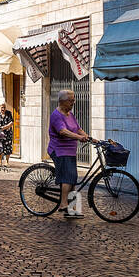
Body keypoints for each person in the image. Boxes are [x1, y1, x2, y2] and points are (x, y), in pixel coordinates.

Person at [48, 89, 92, 217]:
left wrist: (89, 137)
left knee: (73, 179)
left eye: (73, 100)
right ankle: (63, 204)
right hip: (59, 150)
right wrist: (79, 138)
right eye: (70, 100)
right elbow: (63, 131)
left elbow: (78, 129)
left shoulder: (70, 114)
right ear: (62, 101)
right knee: (68, 177)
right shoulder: (56, 115)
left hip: (70, 151)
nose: (73, 102)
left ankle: (73, 209)